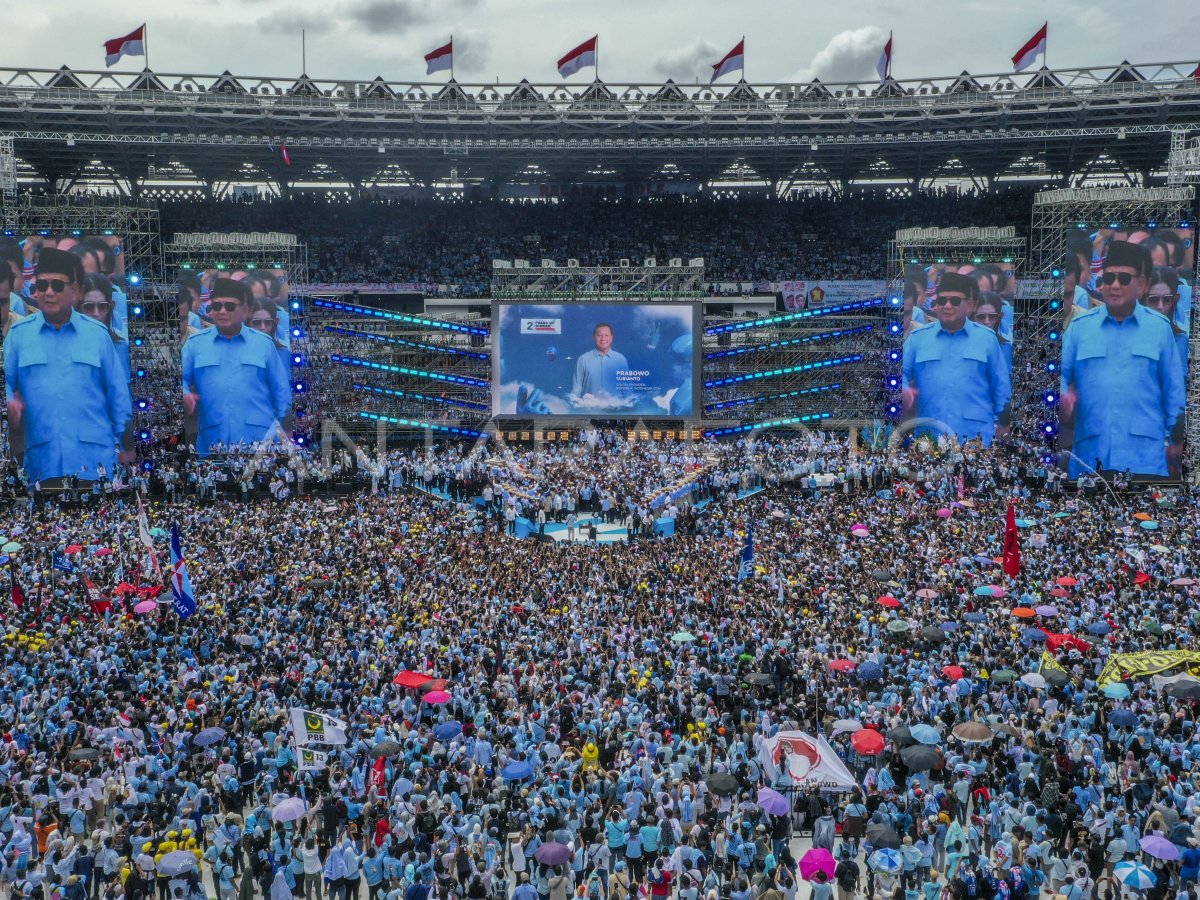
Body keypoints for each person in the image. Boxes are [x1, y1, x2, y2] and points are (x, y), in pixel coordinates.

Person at [3, 248, 134, 484]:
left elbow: (118, 398)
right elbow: (9, 391)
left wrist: (127, 449)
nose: (49, 292)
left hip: (94, 463)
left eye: (57, 285)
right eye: (42, 285)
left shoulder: (97, 335)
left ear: (74, 290)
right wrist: (12, 411)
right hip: (42, 463)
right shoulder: (18, 336)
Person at [1059, 240, 1185, 479]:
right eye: (1109, 278)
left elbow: (1174, 393)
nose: (1115, 285)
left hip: (1144, 460)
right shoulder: (1080, 328)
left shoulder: (1159, 329)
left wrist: (1177, 442)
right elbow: (1058, 376)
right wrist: (1063, 398)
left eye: (1124, 279)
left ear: (1142, 284)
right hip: (1090, 458)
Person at [181, 278, 292, 457]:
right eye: (217, 306)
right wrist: (185, 394)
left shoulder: (263, 344)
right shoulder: (195, 344)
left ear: (244, 310)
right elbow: (180, 380)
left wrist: (279, 435)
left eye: (230, 306)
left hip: (259, 446)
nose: (222, 311)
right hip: (212, 444)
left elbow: (282, 394)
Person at [900, 272, 1012, 447]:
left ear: (970, 305)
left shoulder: (987, 339)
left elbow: (1001, 388)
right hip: (930, 438)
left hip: (975, 438)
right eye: (942, 300)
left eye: (955, 300)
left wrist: (1005, 424)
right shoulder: (918, 338)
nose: (947, 306)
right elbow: (899, 373)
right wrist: (903, 388)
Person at [78, 273, 132, 383]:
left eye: (102, 306)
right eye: (89, 307)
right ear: (78, 307)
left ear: (111, 306)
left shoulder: (121, 346)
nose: (96, 313)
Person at [571, 324, 629, 399]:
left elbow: (627, 389)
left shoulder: (621, 360)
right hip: (589, 406)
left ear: (611, 338)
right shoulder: (583, 360)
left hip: (617, 406)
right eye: (599, 335)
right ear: (594, 337)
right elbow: (576, 389)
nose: (603, 338)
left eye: (606, 335)